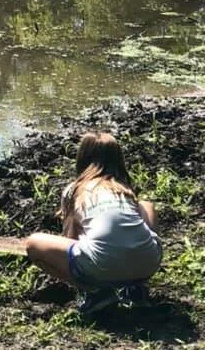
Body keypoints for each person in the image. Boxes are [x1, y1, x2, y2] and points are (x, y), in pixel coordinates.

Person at [24, 131, 162, 315]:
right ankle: (136, 288)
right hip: (149, 264)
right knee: (146, 205)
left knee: (33, 243)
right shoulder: (124, 188)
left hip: (102, 265)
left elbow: (70, 238)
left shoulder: (75, 190)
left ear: (82, 158)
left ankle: (96, 292)